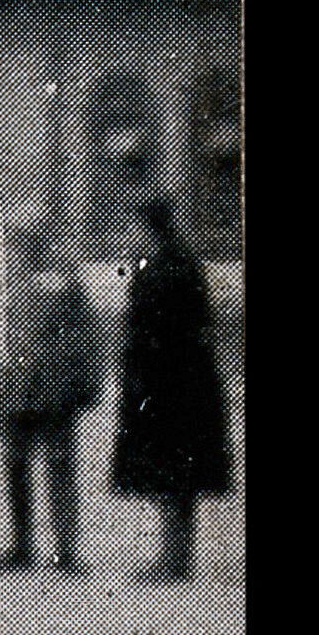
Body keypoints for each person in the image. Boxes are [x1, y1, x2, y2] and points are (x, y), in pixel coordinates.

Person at [109, 195, 232, 580]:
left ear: (150, 229)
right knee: (175, 472)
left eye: (133, 228)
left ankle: (175, 558)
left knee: (172, 470)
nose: (129, 236)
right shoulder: (177, 264)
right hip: (180, 384)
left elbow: (154, 333)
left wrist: (139, 373)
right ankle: (175, 553)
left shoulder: (163, 270)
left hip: (168, 386)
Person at [0, 220, 103, 574]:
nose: (25, 248)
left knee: (60, 468)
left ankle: (65, 548)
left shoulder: (64, 280)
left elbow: (82, 335)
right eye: (20, 241)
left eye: (31, 240)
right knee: (16, 468)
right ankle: (22, 543)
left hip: (53, 392)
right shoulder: (1, 284)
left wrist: (83, 383)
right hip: (13, 390)